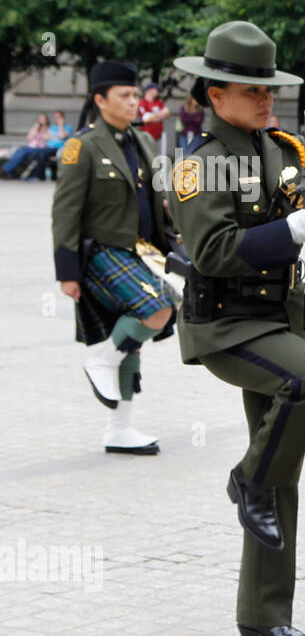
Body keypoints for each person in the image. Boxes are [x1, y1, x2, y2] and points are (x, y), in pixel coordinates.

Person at [168, 20, 305, 636]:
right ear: (213, 94)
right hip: (224, 323)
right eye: (249, 89)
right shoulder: (200, 166)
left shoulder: (283, 148)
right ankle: (246, 479)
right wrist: (288, 233)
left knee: (282, 466)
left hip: (279, 319)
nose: (264, 99)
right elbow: (213, 249)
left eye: (269, 88)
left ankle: (263, 613)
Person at [50, 61, 176, 454]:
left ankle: (118, 428)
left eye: (136, 95)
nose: (134, 102)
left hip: (139, 250)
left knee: (134, 341)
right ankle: (100, 360)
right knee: (157, 309)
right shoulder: (81, 146)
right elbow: (65, 211)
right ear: (100, 100)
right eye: (124, 95)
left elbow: (159, 201)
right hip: (101, 251)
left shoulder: (144, 142)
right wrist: (66, 272)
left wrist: (172, 243)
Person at [4, 113, 51, 179]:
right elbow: (29, 138)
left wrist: (43, 129)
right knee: (19, 151)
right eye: (40, 119)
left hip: (41, 148)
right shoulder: (35, 127)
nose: (41, 120)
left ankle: (5, 169)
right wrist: (36, 129)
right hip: (31, 148)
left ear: (47, 120)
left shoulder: (49, 129)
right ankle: (10, 171)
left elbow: (46, 138)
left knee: (23, 151)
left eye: (43, 119)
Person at [44, 110, 71, 180]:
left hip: (59, 149)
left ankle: (39, 176)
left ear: (63, 118)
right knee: (39, 153)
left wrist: (61, 125)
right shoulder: (52, 127)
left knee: (42, 154)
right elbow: (45, 137)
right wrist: (57, 136)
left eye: (58, 117)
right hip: (48, 148)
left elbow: (62, 136)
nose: (57, 119)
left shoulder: (67, 128)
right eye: (55, 117)